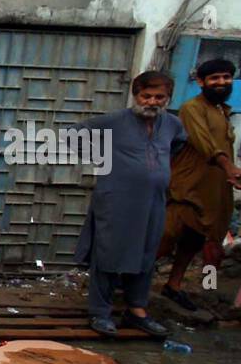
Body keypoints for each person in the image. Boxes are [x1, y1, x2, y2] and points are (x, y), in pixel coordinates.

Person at [73, 71, 185, 338]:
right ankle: (100, 312)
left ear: (168, 98)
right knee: (108, 254)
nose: (152, 102)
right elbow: (74, 133)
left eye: (159, 97)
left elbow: (179, 144)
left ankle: (136, 310)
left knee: (147, 254)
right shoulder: (114, 121)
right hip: (116, 199)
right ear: (136, 96)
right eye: (146, 96)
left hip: (153, 202)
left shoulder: (171, 124)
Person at [158, 58, 241, 311]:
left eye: (226, 78)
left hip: (216, 190)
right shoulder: (192, 108)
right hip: (187, 187)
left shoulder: (224, 111)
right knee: (165, 238)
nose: (221, 83)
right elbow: (204, 142)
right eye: (215, 78)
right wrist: (229, 167)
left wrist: (234, 174)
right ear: (201, 82)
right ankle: (131, 286)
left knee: (198, 243)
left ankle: (180, 286)